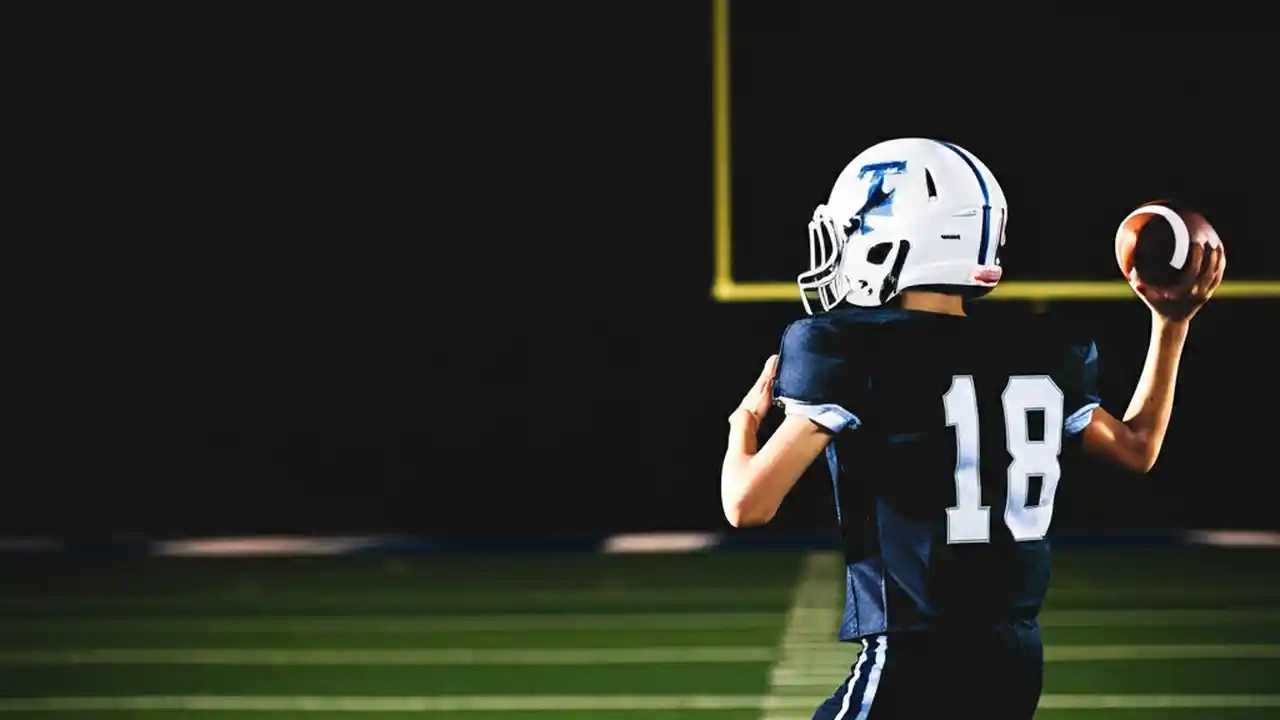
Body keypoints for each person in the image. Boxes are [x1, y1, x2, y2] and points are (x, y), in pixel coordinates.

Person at [719, 138, 1225, 719]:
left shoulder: (853, 349)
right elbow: (1137, 449)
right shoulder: (1038, 349)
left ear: (897, 235)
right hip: (1015, 661)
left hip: (914, 659)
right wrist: (1171, 323)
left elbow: (747, 503)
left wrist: (743, 424)